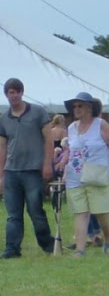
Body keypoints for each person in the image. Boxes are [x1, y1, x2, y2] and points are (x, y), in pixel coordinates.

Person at [0, 77, 56, 258]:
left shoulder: (38, 112)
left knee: (35, 210)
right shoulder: (4, 118)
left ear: (22, 93)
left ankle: (48, 244)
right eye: (10, 92)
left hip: (33, 170)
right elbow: (2, 147)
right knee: (13, 214)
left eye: (17, 91)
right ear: (6, 95)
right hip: (11, 171)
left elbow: (49, 139)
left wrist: (47, 164)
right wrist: (1, 175)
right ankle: (12, 248)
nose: (14, 95)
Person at [63, 92, 109, 255]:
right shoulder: (71, 128)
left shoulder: (101, 125)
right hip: (75, 176)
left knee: (101, 211)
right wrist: (63, 166)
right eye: (74, 106)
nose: (76, 109)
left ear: (90, 107)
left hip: (98, 174)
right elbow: (70, 150)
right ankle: (80, 249)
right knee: (80, 212)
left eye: (80, 105)